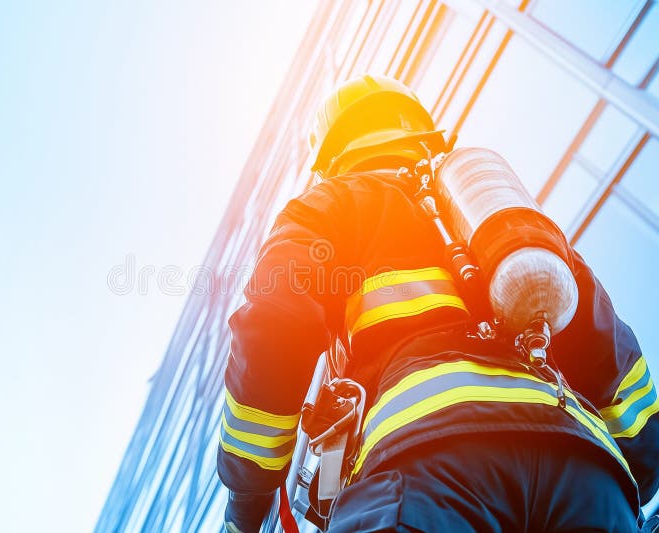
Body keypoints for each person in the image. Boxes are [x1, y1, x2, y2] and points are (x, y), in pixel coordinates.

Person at [217, 74, 659, 532]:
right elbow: (601, 338)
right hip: (586, 471)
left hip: (428, 466)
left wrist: (247, 494)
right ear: (423, 133)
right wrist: (641, 466)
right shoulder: (498, 211)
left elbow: (275, 325)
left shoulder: (330, 202)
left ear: (332, 158)